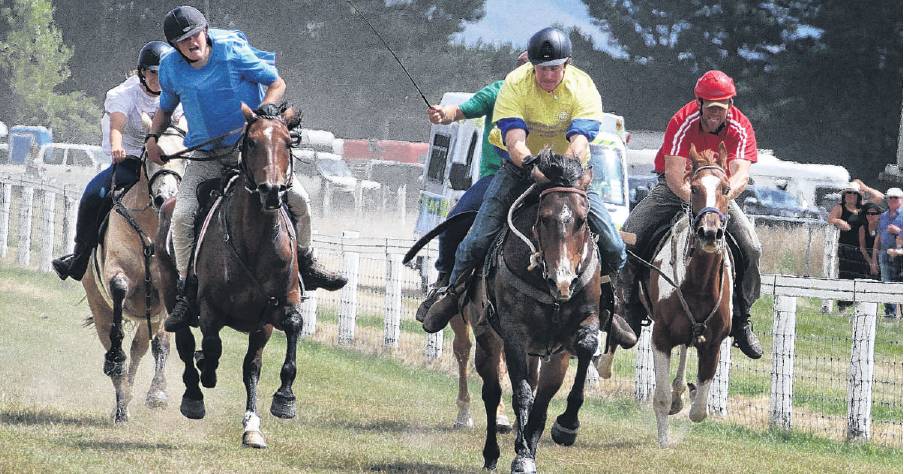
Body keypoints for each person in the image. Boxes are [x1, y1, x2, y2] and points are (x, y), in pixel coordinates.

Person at [420, 27, 634, 348]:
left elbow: (578, 141)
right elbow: (514, 139)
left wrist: (560, 171)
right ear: (530, 65)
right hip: (521, 170)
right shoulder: (514, 85)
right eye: (541, 68)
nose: (548, 74)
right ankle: (452, 293)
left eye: (554, 67)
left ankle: (608, 307)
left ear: (567, 64)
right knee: (476, 238)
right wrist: (533, 165)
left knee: (616, 246)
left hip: (569, 173)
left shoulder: (583, 87)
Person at [145, 6, 345, 332]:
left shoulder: (231, 50)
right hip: (206, 155)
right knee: (181, 216)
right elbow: (165, 108)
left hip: (248, 151)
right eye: (184, 40)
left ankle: (307, 263)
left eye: (196, 34)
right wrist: (154, 137)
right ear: (175, 45)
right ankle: (186, 289)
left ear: (205, 31)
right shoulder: (170, 69)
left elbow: (276, 82)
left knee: (299, 200)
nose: (192, 42)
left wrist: (265, 110)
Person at [613, 70, 764, 359]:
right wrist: (697, 201)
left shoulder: (741, 127)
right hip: (677, 189)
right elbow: (672, 174)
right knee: (630, 235)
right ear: (699, 103)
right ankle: (629, 304)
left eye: (721, 107)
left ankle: (742, 318)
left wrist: (715, 202)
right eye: (710, 107)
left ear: (730, 106)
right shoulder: (682, 121)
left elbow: (741, 173)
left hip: (718, 194)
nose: (715, 114)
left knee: (752, 248)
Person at [416, 51, 529, 322]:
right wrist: (443, 114)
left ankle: (604, 300)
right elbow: (463, 109)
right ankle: (444, 281)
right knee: (455, 220)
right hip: (499, 176)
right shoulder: (499, 92)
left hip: (550, 179)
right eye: (527, 69)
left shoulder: (561, 97)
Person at [52, 41, 179, 281]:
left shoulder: (176, 94)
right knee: (94, 194)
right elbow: (117, 124)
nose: (159, 79)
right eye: (153, 73)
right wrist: (117, 146)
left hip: (166, 164)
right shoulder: (124, 94)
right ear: (142, 72)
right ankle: (79, 259)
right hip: (130, 162)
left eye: (164, 74)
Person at [828, 181, 884, 308]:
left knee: (862, 275)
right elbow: (830, 219)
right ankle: (843, 305)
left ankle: (861, 304)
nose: (851, 195)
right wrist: (839, 221)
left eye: (854, 193)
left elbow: (879, 197)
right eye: (848, 192)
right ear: (844, 195)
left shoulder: (863, 208)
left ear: (858, 195)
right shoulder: (839, 207)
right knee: (846, 275)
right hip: (846, 248)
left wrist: (864, 187)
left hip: (862, 248)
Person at [872, 187, 903, 318]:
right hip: (885, 253)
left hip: (901, 254)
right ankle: (890, 313)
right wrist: (874, 258)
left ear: (901, 199)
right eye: (890, 198)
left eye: (895, 198)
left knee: (900, 282)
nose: (892, 200)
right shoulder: (883, 216)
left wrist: (899, 231)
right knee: (886, 282)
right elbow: (878, 237)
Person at [859, 202, 883, 280]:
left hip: (880, 257)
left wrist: (874, 262)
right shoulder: (862, 228)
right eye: (868, 213)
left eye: (873, 214)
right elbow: (862, 248)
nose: (870, 216)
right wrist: (870, 262)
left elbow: (876, 245)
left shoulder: (882, 227)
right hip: (867, 258)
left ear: (879, 215)